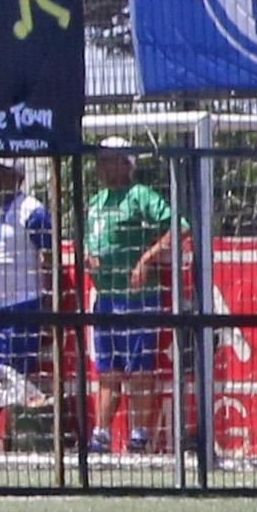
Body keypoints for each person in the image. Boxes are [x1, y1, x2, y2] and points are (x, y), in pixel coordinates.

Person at [81, 138, 181, 458]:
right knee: (107, 370)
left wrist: (146, 259)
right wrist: (87, 256)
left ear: (127, 163)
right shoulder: (95, 202)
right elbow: (87, 241)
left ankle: (139, 437)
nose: (102, 166)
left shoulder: (141, 196)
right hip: (105, 298)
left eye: (109, 159)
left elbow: (178, 228)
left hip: (138, 298)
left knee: (139, 369)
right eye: (101, 159)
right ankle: (101, 435)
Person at [0, 152, 57, 450]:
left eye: (2, 171)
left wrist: (48, 302)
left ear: (18, 177)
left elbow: (49, 258)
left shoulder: (32, 211)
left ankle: (7, 441)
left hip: (21, 304)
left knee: (16, 376)